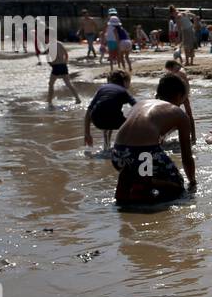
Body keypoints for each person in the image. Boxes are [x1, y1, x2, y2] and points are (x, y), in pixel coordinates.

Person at [111, 73, 197, 205]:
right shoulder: (179, 114)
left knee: (144, 166)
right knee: (178, 185)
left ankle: (129, 182)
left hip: (117, 155)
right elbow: (187, 156)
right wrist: (192, 182)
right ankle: (141, 185)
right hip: (142, 155)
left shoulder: (141, 104)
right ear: (180, 96)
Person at [83, 70, 135, 151]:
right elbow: (137, 106)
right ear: (125, 81)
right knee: (130, 123)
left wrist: (87, 133)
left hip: (97, 120)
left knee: (107, 111)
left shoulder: (102, 88)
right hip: (114, 120)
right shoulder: (123, 91)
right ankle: (123, 147)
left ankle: (106, 145)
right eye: (129, 82)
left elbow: (89, 110)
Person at [163, 59, 197, 136]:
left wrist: (183, 96)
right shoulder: (180, 70)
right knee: (189, 115)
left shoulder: (179, 72)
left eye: (169, 69)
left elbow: (185, 85)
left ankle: (166, 133)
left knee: (173, 115)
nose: (170, 71)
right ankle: (193, 136)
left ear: (172, 66)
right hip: (183, 96)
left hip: (180, 97)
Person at [47, 37, 82, 105]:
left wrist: (51, 64)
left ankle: (49, 100)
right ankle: (77, 98)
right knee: (68, 84)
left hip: (56, 66)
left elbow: (49, 57)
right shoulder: (60, 43)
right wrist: (65, 62)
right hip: (63, 66)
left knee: (51, 84)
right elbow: (66, 54)